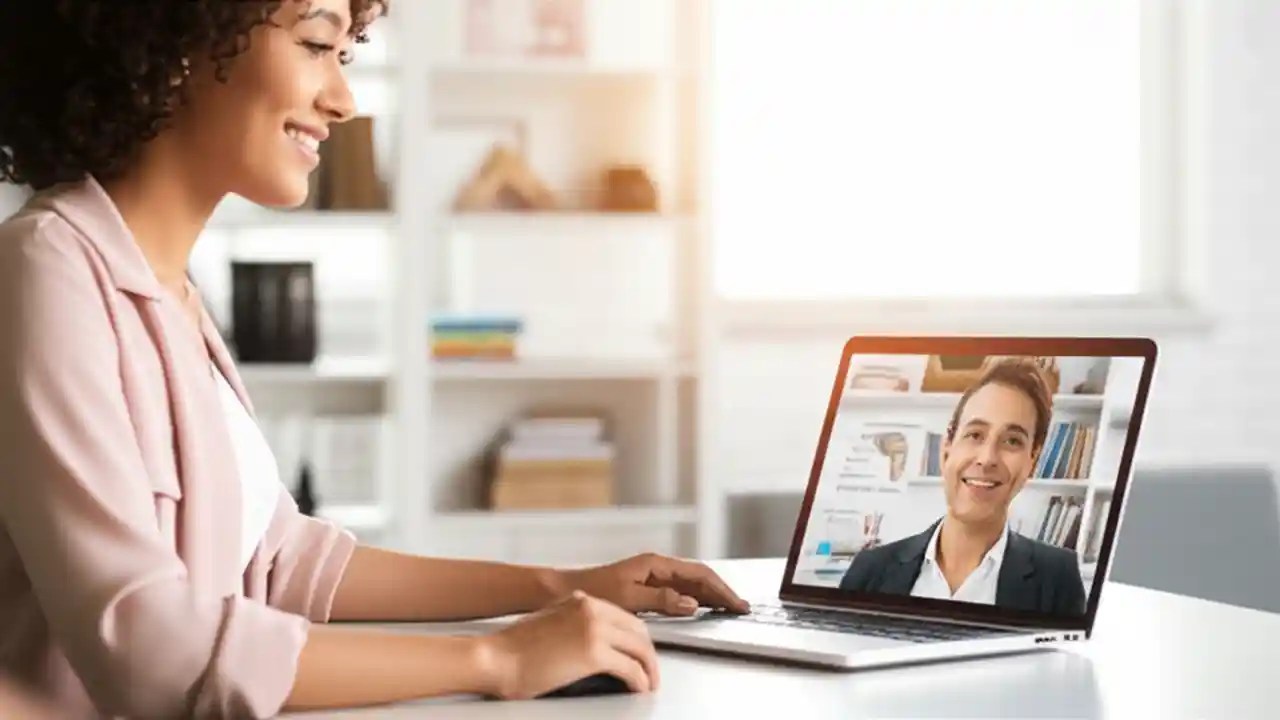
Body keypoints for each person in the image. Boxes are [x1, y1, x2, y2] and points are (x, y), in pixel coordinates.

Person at [0, 2, 749, 717]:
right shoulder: (46, 269)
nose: (345, 99)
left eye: (345, 55)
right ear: (174, 47)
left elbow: (280, 559)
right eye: (316, 46)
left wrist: (560, 585)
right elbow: (146, 643)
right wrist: (495, 661)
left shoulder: (168, 294)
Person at [839, 359, 1087, 615]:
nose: (987, 458)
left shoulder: (1059, 577)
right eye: (975, 434)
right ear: (947, 448)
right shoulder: (869, 570)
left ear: (1031, 463)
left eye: (1012, 441)